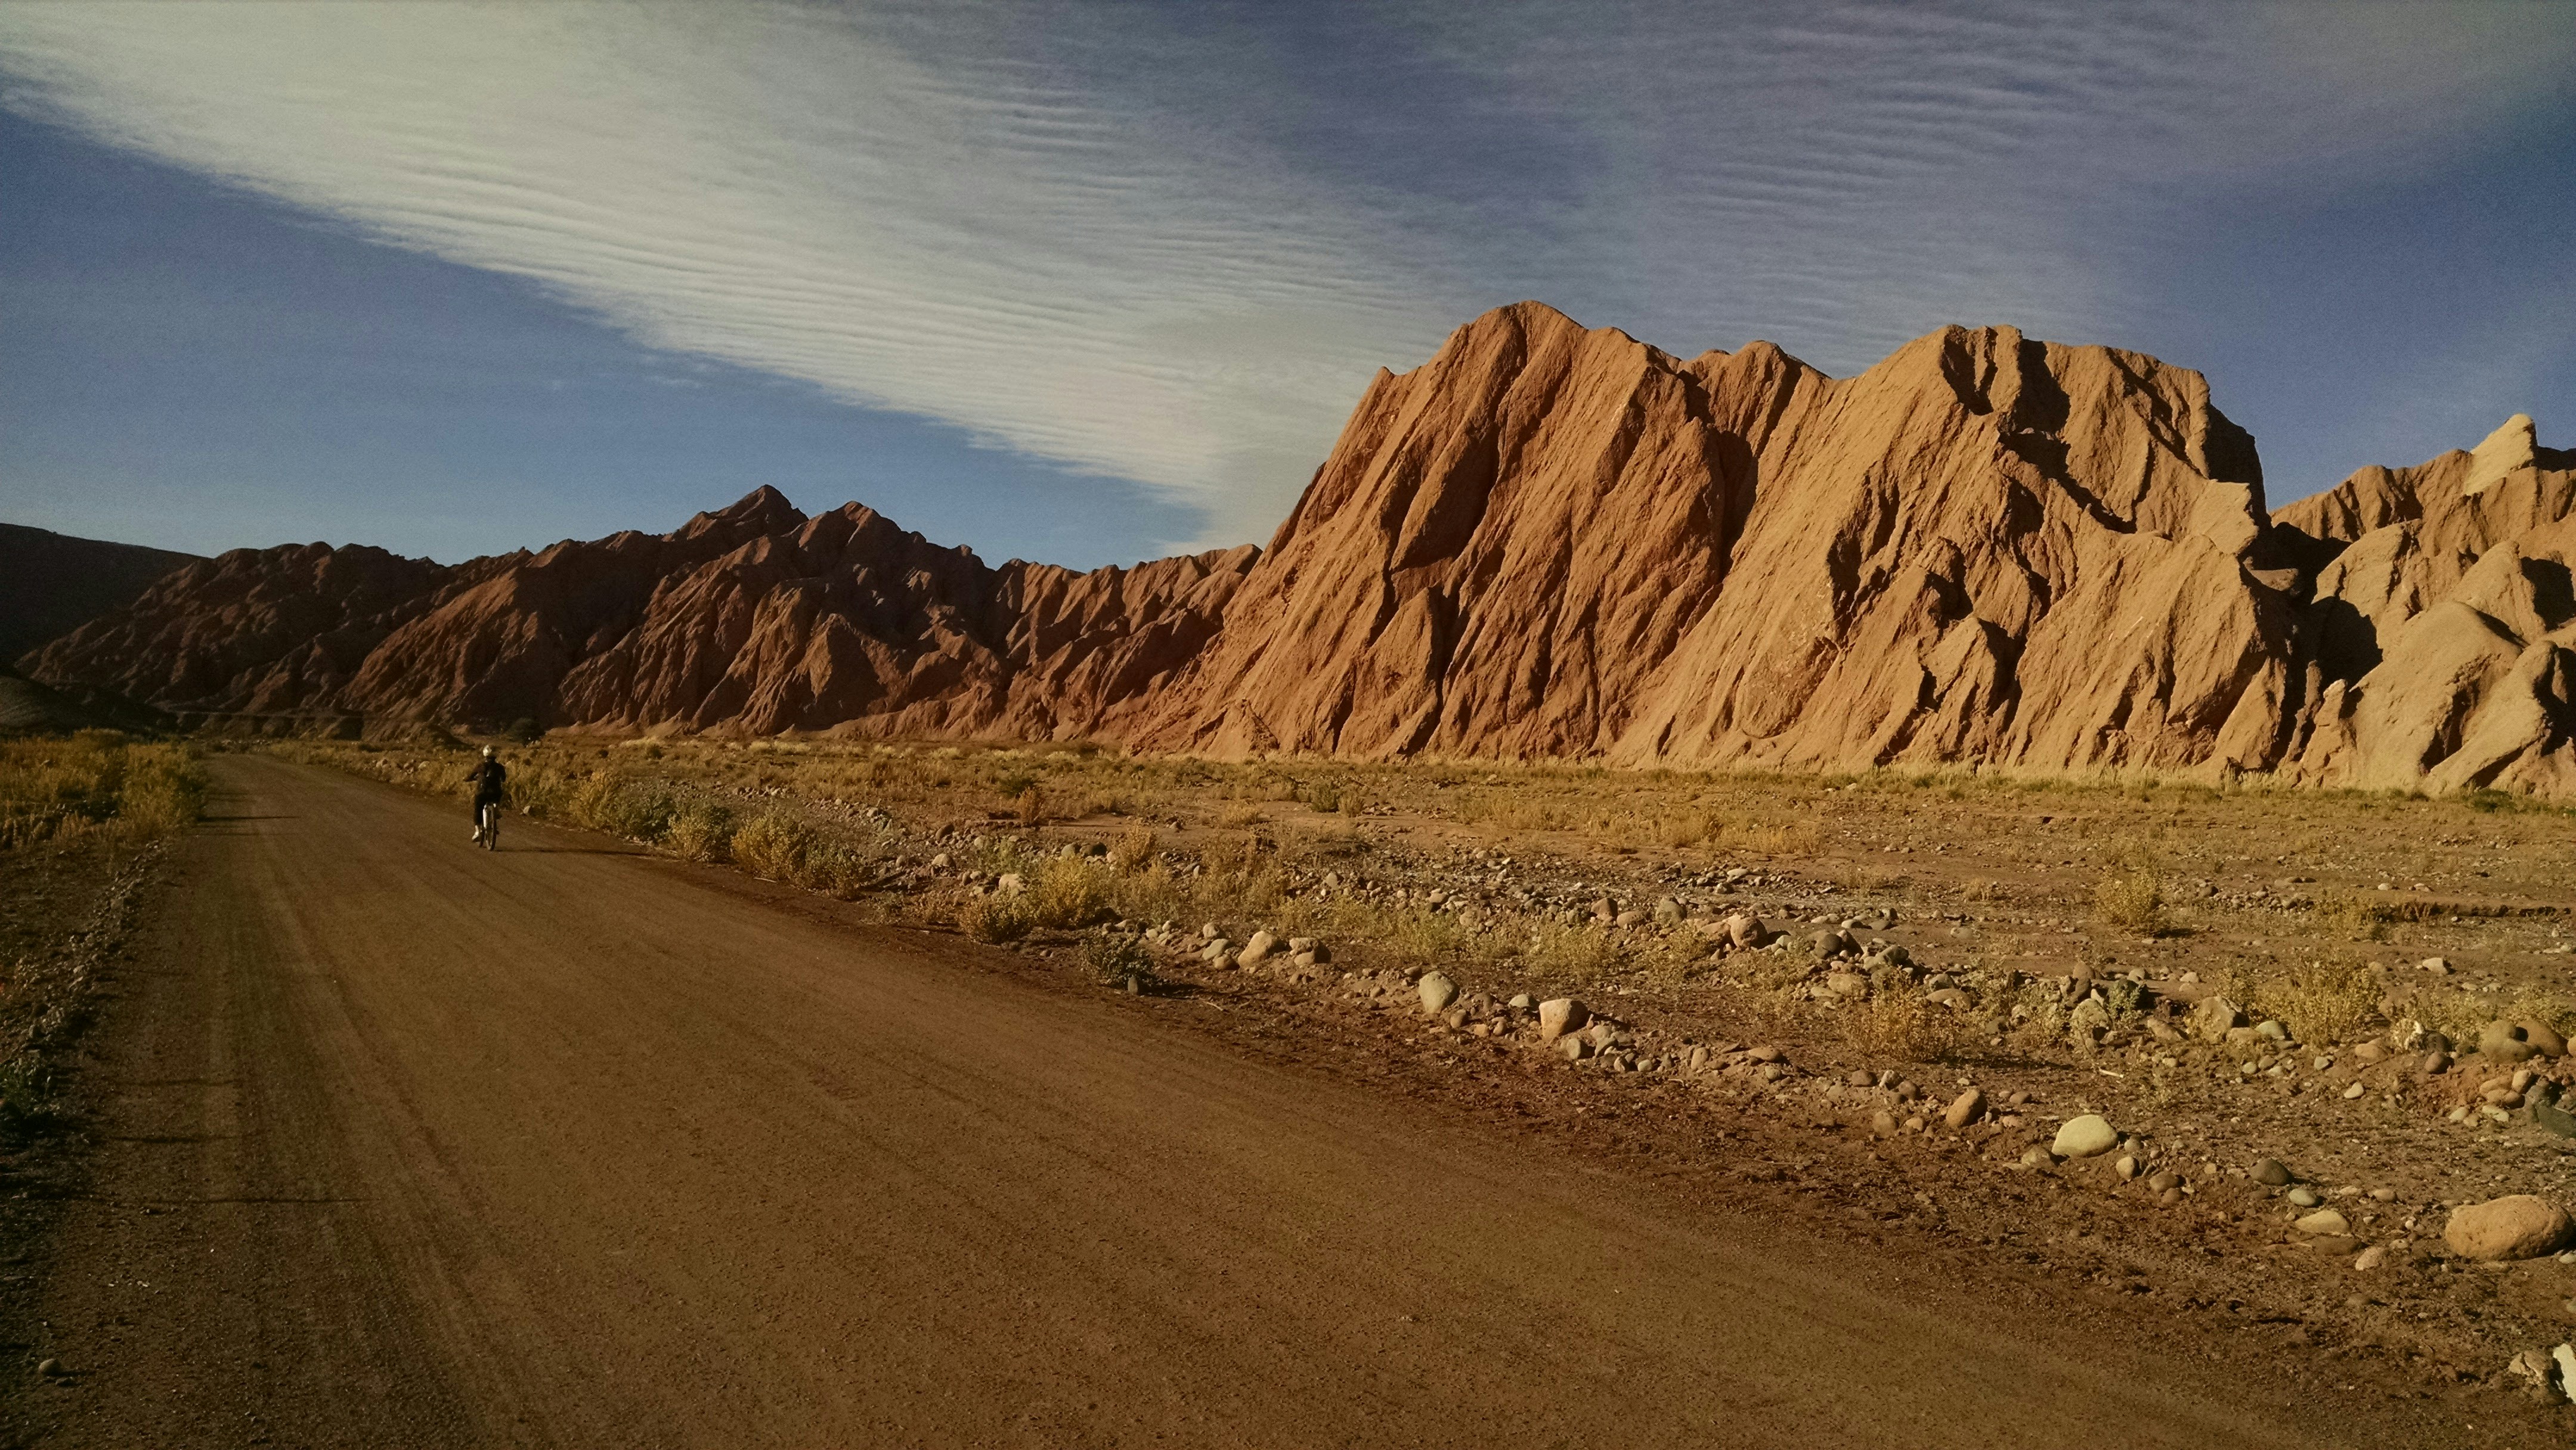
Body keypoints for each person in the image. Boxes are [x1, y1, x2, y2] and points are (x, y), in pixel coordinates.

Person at [467, 745, 507, 843]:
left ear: (485, 755)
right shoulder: (500, 767)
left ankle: (478, 832)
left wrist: (468, 779)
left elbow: (470, 776)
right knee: (497, 798)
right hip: (496, 793)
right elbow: (504, 779)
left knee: (478, 809)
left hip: (482, 792)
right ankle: (496, 811)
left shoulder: (480, 766)